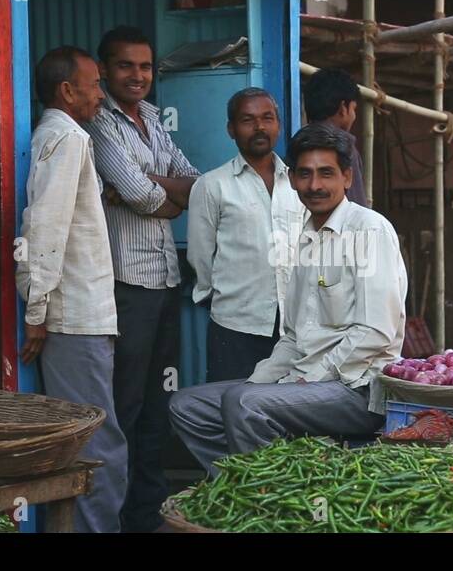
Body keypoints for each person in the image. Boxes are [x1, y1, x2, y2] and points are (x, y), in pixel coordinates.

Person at [169, 123, 407, 475]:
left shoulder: (368, 229)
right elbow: (294, 337)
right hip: (308, 380)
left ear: (346, 176)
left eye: (326, 173)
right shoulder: (305, 238)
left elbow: (374, 332)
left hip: (358, 388)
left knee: (244, 404)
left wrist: (311, 378)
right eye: (305, 174)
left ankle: (265, 500)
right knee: (187, 405)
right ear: (292, 179)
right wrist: (263, 380)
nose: (315, 185)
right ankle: (250, 486)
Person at [82, 26, 200, 533]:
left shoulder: (151, 118)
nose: (137, 76)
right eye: (126, 66)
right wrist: (159, 192)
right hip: (125, 284)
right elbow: (143, 196)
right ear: (104, 71)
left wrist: (154, 189)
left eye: (145, 67)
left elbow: (200, 186)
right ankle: (112, 516)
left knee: (157, 406)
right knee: (124, 407)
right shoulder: (99, 122)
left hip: (164, 278)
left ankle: (147, 514)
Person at [15, 46, 127, 533]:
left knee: (93, 439)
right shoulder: (64, 137)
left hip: (82, 315)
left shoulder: (63, 136)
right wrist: (36, 306)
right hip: (74, 317)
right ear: (67, 90)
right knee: (96, 445)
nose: (101, 94)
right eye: (95, 83)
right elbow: (45, 225)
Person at [187, 88, 304, 383]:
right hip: (235, 324)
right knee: (228, 407)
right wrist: (219, 297)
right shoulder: (212, 185)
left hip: (293, 326)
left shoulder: (298, 184)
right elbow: (200, 256)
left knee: (287, 414)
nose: (260, 127)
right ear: (231, 129)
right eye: (248, 120)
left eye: (268, 118)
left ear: (278, 125)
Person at [302, 68, 367, 207]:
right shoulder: (345, 148)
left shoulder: (298, 145)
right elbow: (356, 208)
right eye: (354, 109)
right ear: (343, 108)